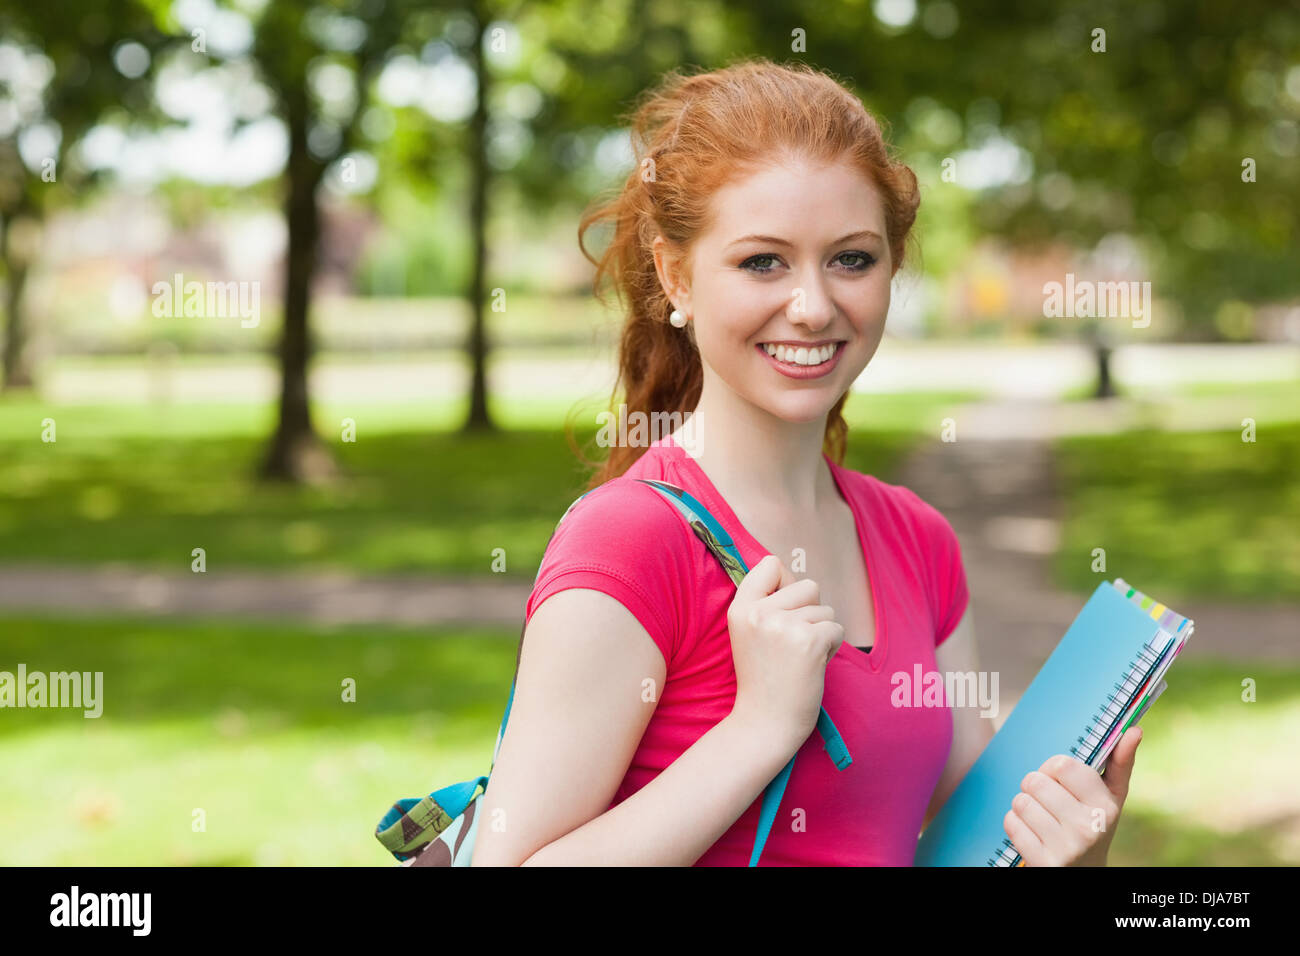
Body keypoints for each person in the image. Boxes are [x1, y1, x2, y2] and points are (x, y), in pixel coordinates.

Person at [470, 58, 1141, 866]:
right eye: (763, 262)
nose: (815, 305)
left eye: (851, 259)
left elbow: (973, 840)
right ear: (676, 274)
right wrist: (758, 729)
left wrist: (1072, 847)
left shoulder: (917, 539)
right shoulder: (627, 542)